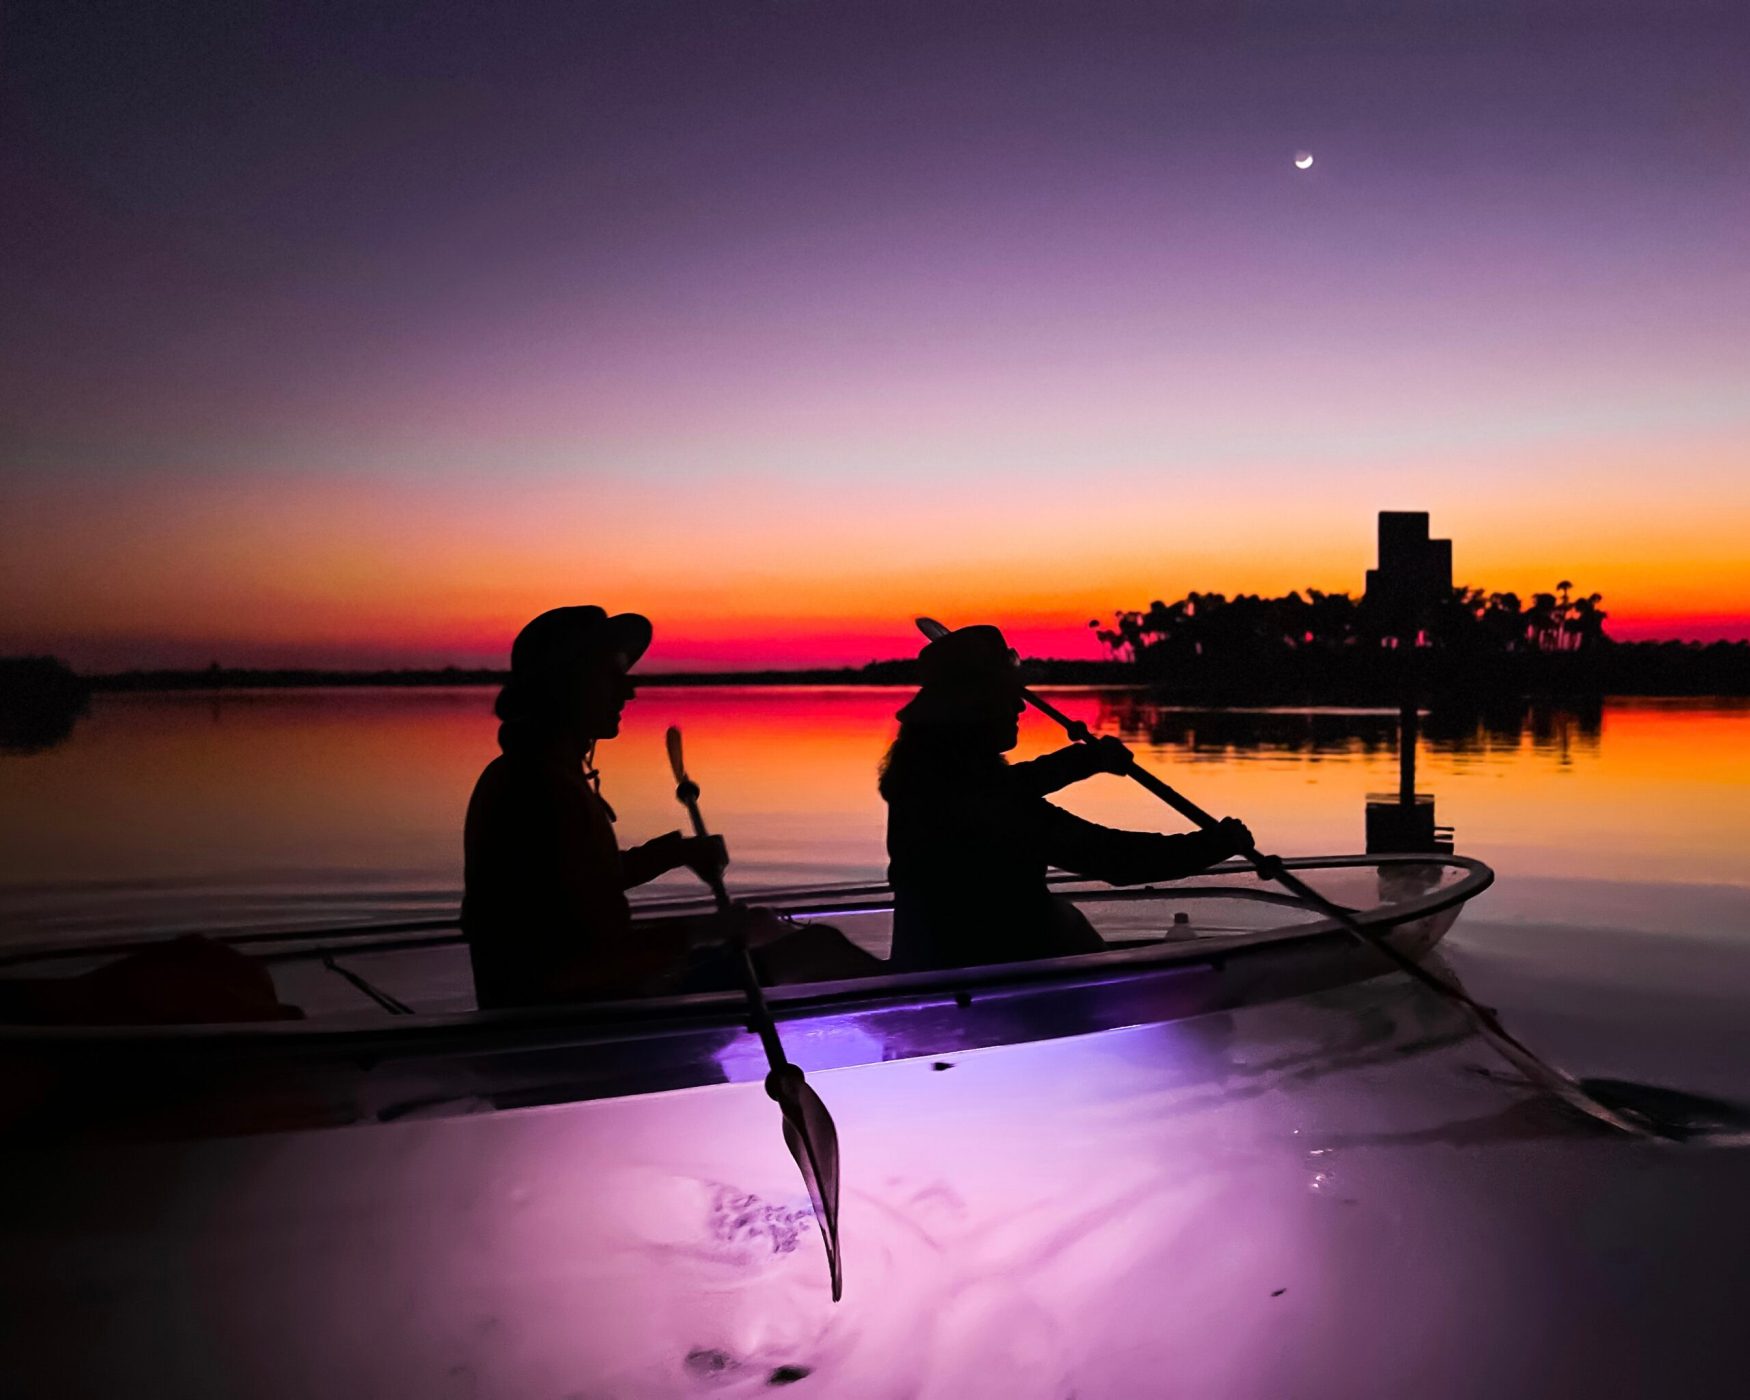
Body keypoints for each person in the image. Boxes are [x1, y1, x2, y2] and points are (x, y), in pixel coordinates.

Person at [464, 605, 877, 1009]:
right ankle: (923, 1031)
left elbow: (576, 884)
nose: (628, 691)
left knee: (769, 927)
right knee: (816, 949)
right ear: (565, 686)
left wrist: (675, 853)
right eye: (610, 677)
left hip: (595, 997)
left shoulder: (538, 773)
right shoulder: (536, 788)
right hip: (575, 1022)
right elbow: (559, 965)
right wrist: (700, 931)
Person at [879, 624, 1254, 971]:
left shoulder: (926, 780)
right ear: (975, 709)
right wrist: (1214, 844)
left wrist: (1085, 760)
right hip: (1000, 990)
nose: (1020, 707)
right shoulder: (990, 803)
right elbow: (1116, 860)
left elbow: (1009, 786)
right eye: (1007, 696)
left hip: (934, 964)